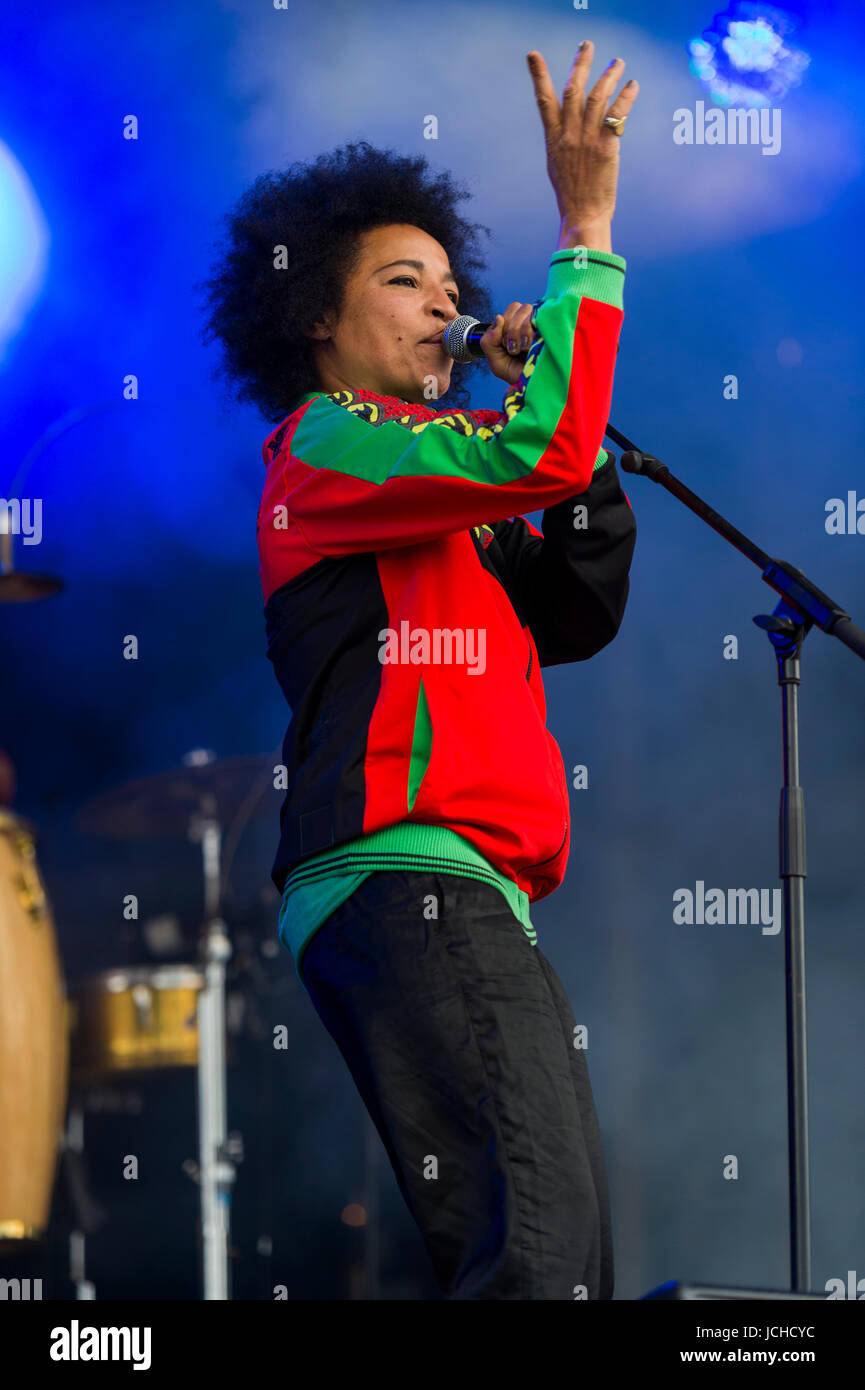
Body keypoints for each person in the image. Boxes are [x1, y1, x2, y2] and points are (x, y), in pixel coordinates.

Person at [200, 39, 639, 1299]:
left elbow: (576, 600)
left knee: (553, 1264)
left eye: (451, 279)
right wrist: (586, 230)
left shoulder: (435, 475)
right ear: (317, 319)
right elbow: (539, 461)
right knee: (541, 1262)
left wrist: (565, 429)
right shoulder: (332, 444)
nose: (447, 302)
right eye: (406, 281)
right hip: (407, 870)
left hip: (463, 890)